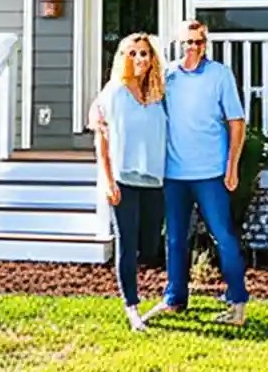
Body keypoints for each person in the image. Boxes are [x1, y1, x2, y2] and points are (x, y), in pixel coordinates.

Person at [143, 19, 250, 326]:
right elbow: (137, 100)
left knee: (224, 238)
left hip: (210, 174)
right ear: (179, 43)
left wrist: (232, 166)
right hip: (174, 174)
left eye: (198, 41)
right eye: (188, 41)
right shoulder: (167, 76)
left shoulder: (220, 75)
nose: (193, 47)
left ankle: (237, 303)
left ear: (206, 44)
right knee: (175, 239)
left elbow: (236, 122)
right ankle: (175, 299)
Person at [87, 32, 169, 332]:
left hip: (155, 179)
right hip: (123, 178)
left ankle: (170, 298)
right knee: (127, 242)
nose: (138, 58)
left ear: (152, 59)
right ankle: (132, 308)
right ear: (123, 57)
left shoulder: (159, 92)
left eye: (144, 53)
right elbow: (101, 136)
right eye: (132, 53)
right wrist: (108, 180)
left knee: (150, 244)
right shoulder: (115, 91)